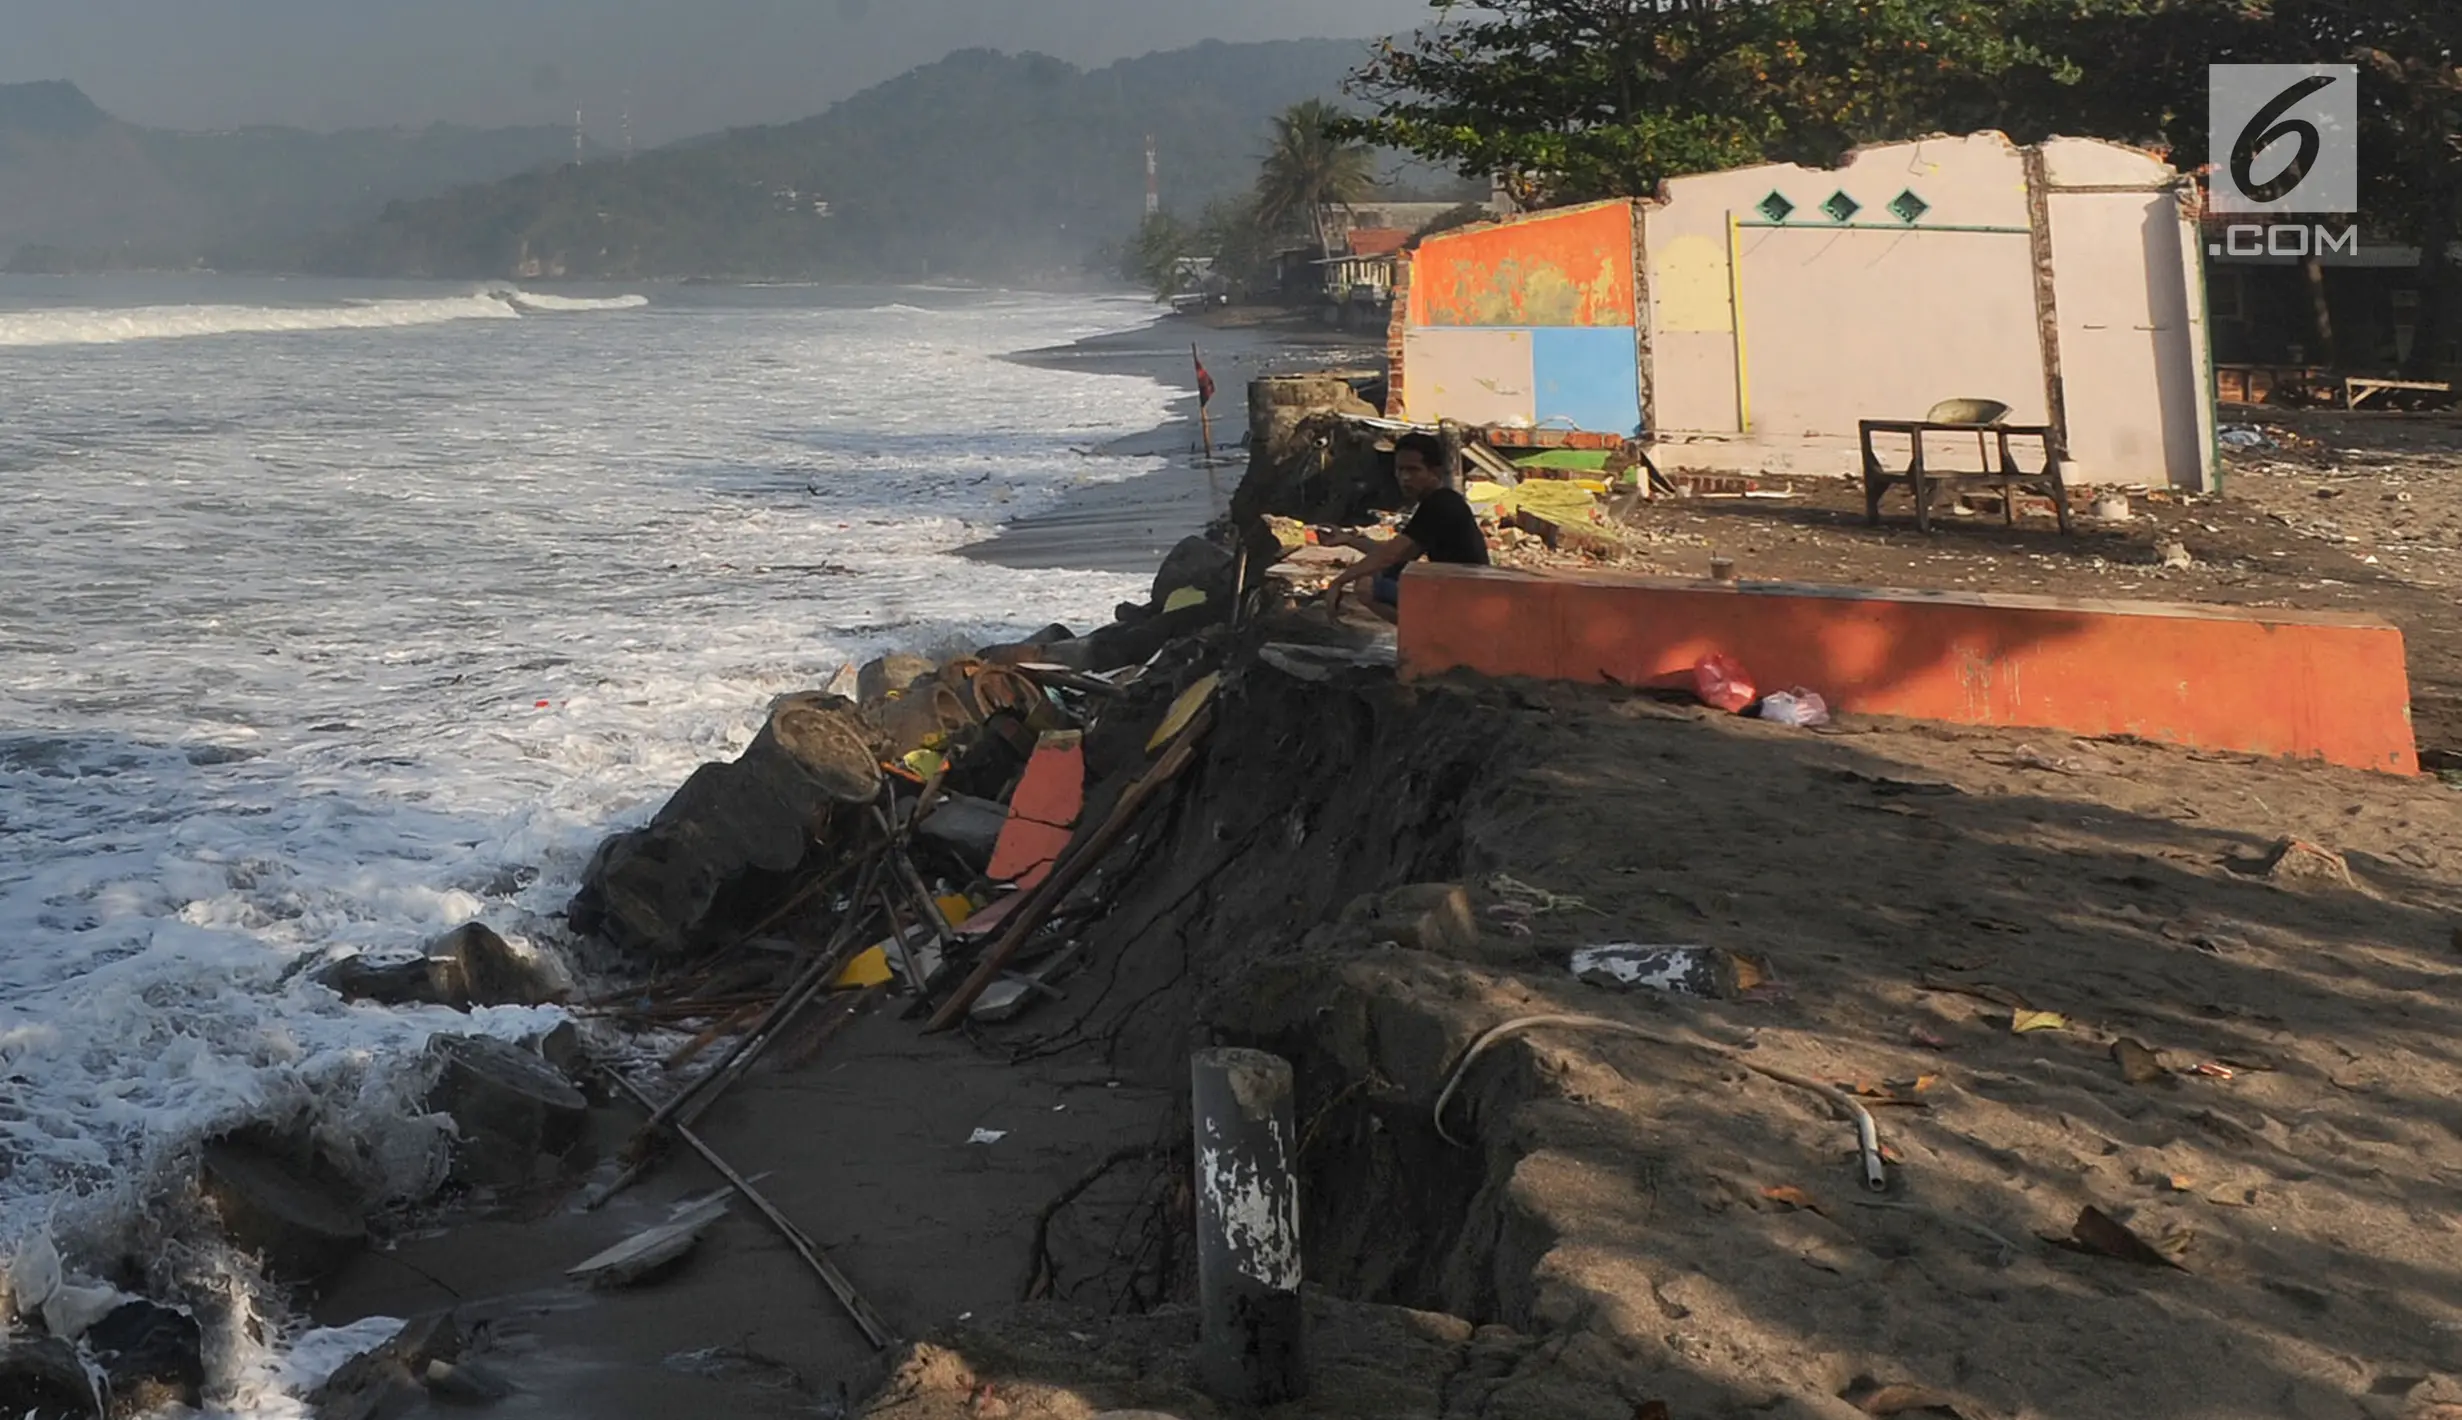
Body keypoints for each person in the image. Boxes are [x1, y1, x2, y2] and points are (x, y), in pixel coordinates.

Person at [1318, 432, 1490, 622]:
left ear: (1436, 472)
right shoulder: (1436, 502)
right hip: (1459, 591)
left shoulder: (1441, 503)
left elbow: (1389, 555)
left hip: (1463, 599)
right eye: (1400, 470)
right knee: (1378, 572)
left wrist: (1338, 582)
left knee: (1368, 584)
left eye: (1413, 470)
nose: (1405, 478)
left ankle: (1428, 637)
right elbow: (1397, 553)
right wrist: (1348, 539)